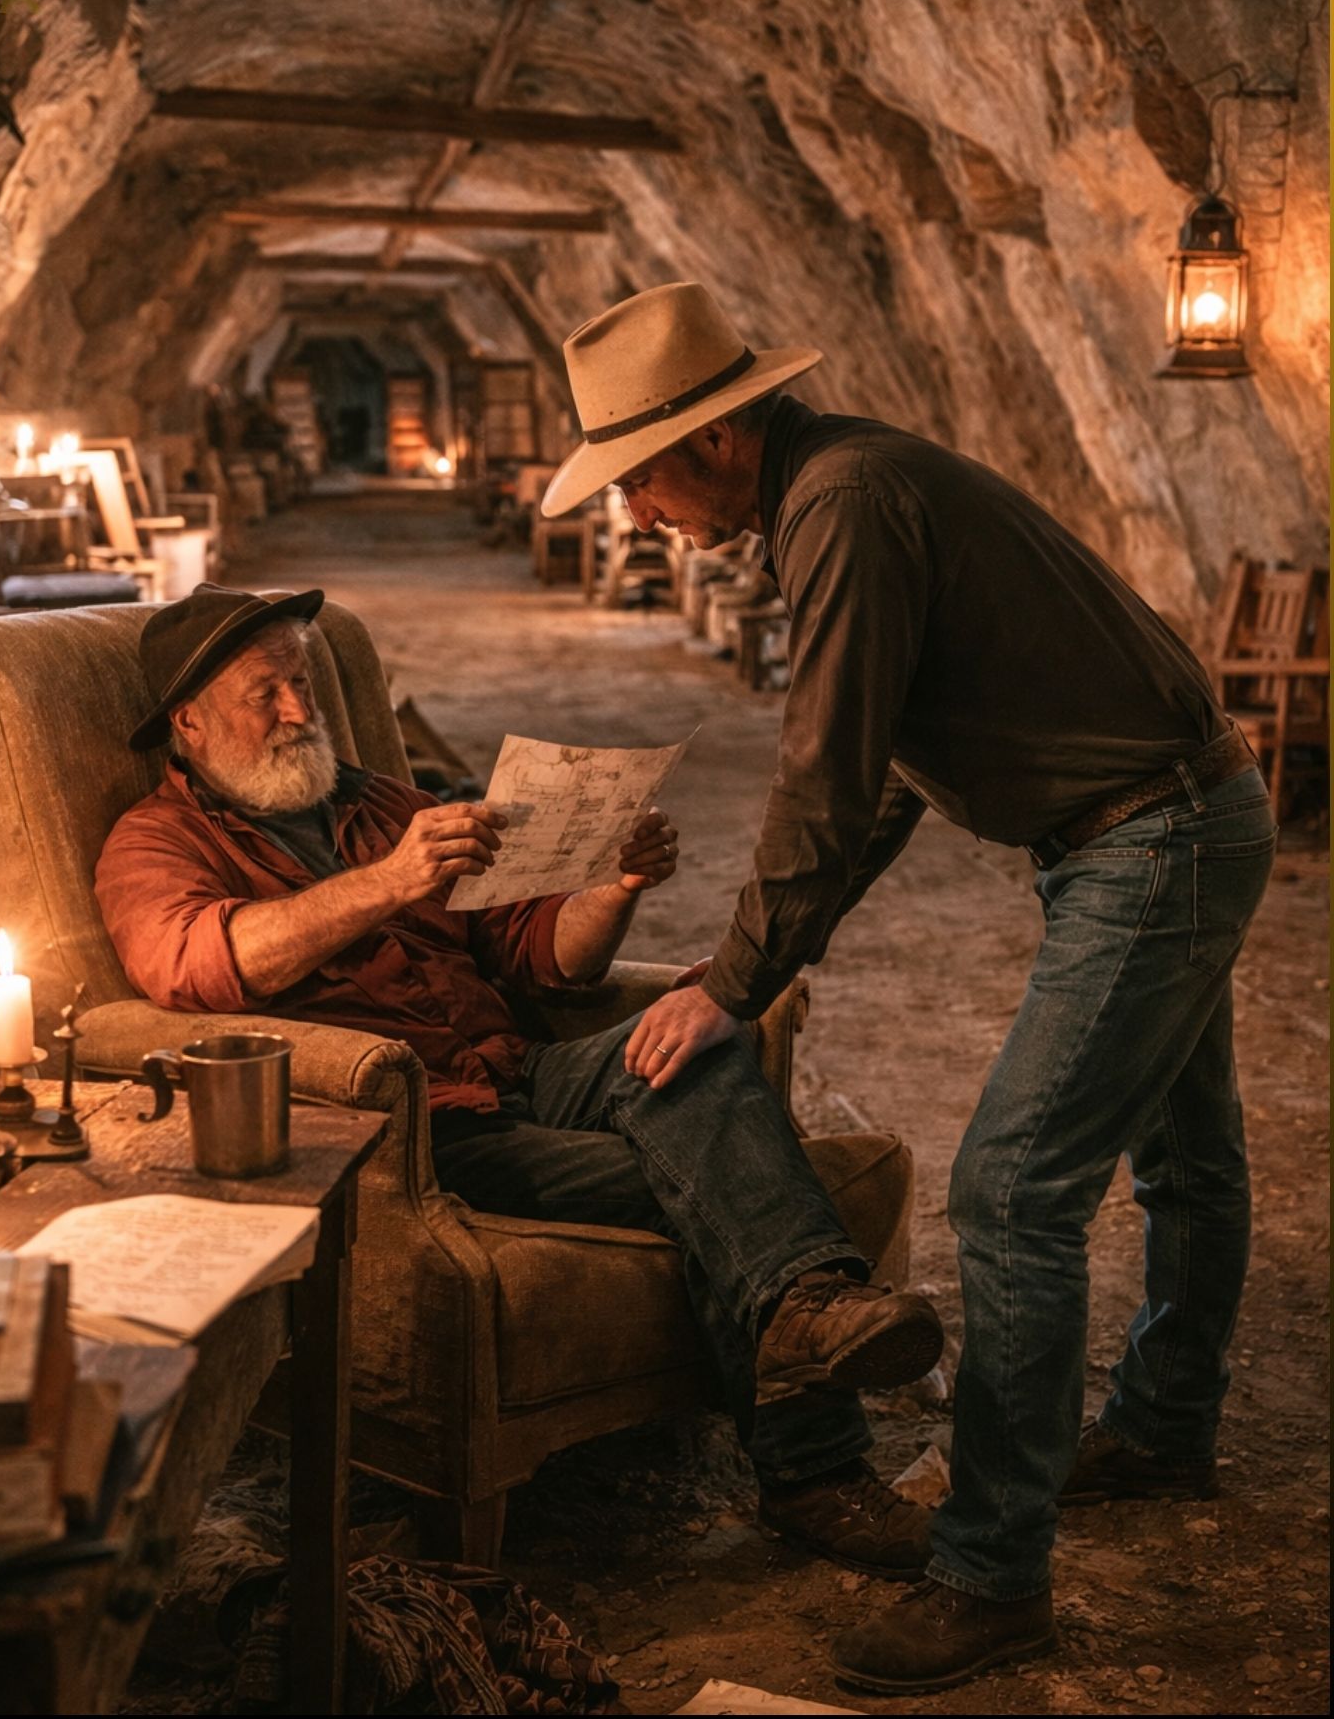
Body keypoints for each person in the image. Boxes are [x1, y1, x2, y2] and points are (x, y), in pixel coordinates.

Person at [540, 283, 1276, 1691]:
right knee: (1188, 1159)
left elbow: (819, 778)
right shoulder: (837, 485)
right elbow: (880, 777)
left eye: (639, 477)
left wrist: (740, 983)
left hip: (1151, 836)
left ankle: (992, 1576)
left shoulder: (843, 505)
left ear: (718, 436)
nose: (636, 512)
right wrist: (759, 963)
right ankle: (1169, 1430)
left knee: (1013, 1190)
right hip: (1162, 817)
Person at [97, 582, 946, 1578]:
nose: (298, 713)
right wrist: (389, 884)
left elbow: (544, 956)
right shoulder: (154, 845)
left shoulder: (378, 803)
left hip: (520, 1067)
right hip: (412, 1128)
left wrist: (613, 889)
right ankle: (818, 1472)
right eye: (266, 694)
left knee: (695, 1048)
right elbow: (196, 963)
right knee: (723, 1179)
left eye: (303, 685)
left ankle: (803, 1311)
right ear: (188, 725)